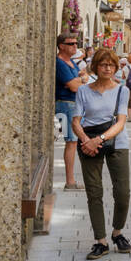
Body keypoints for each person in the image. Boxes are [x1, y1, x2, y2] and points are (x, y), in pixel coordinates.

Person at [72, 48, 131, 259]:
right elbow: (76, 120)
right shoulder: (83, 91)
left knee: (122, 192)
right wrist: (86, 140)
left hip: (116, 143)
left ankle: (117, 232)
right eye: (103, 64)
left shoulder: (122, 91)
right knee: (94, 193)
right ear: (95, 67)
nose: (107, 68)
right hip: (89, 143)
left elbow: (121, 122)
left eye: (111, 65)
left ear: (116, 67)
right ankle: (101, 241)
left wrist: (100, 139)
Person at [55, 33, 83, 191]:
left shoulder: (71, 61)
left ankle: (71, 180)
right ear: (61, 46)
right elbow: (74, 85)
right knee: (71, 142)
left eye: (76, 43)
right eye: (71, 43)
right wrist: (79, 81)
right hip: (65, 103)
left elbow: (79, 79)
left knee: (73, 142)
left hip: (73, 103)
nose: (75, 46)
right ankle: (70, 181)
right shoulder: (60, 62)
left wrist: (78, 81)